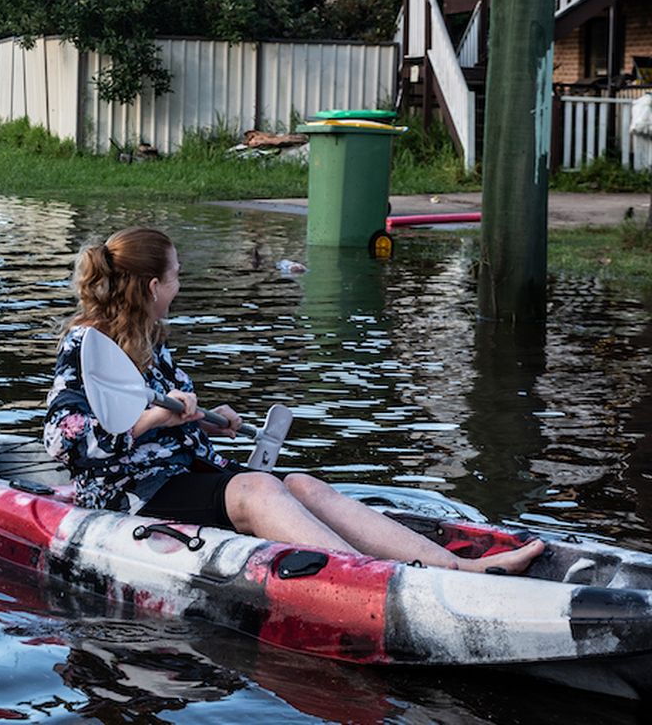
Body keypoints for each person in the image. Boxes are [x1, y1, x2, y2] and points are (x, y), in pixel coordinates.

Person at [42, 226, 544, 575]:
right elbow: (63, 441)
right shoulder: (86, 346)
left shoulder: (151, 338)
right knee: (258, 492)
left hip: (179, 477)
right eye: (176, 276)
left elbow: (164, 418)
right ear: (153, 286)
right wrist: (151, 421)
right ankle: (375, 576)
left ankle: (455, 564)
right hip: (126, 494)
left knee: (300, 483)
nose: (179, 285)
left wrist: (199, 423)